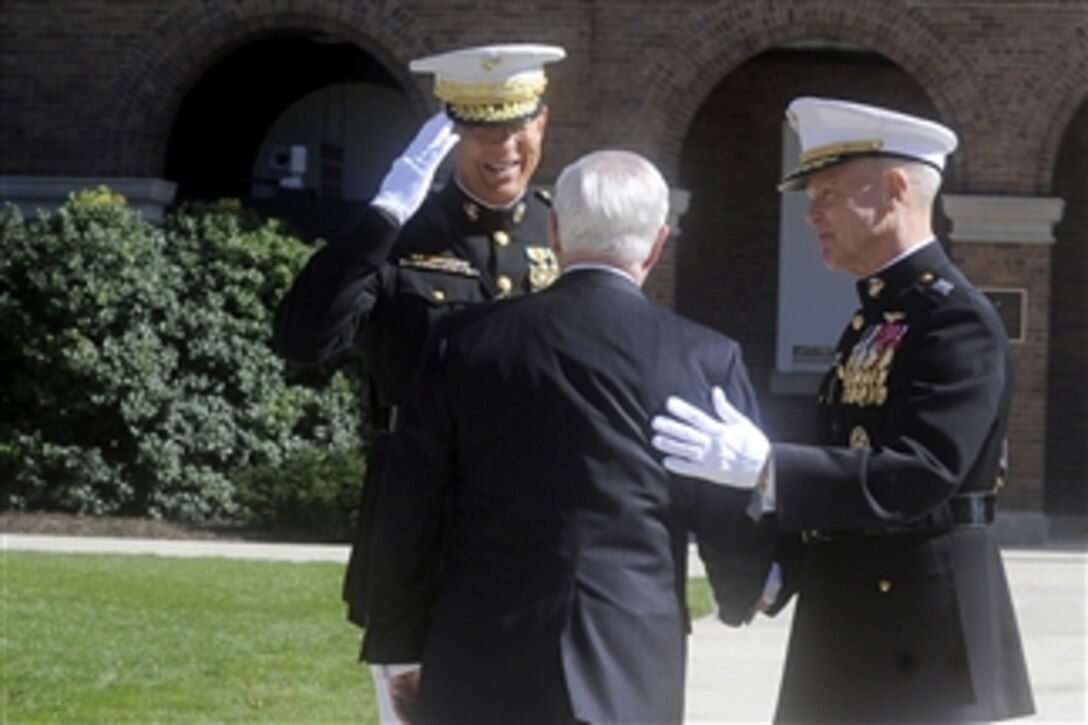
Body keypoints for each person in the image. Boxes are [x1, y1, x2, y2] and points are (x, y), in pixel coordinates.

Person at [651, 97, 1035, 723]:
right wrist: (782, 567)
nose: (811, 214)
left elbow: (922, 473)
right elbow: (851, 453)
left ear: (893, 190)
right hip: (855, 612)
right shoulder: (880, 315)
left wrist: (770, 466)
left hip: (923, 630)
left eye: (828, 192)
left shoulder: (954, 319)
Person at [362, 150, 777, 724]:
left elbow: (409, 508)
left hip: (482, 651)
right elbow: (729, 505)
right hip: (631, 654)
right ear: (658, 244)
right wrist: (743, 588)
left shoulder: (462, 344)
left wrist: (399, 645)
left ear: (555, 231)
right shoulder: (705, 359)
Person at [272, 43, 565, 720]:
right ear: (449, 134)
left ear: (543, 123)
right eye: (480, 128)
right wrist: (379, 217)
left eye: (516, 124)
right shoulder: (404, 234)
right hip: (420, 539)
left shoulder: (564, 231)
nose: (502, 147)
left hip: (536, 535)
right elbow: (303, 339)